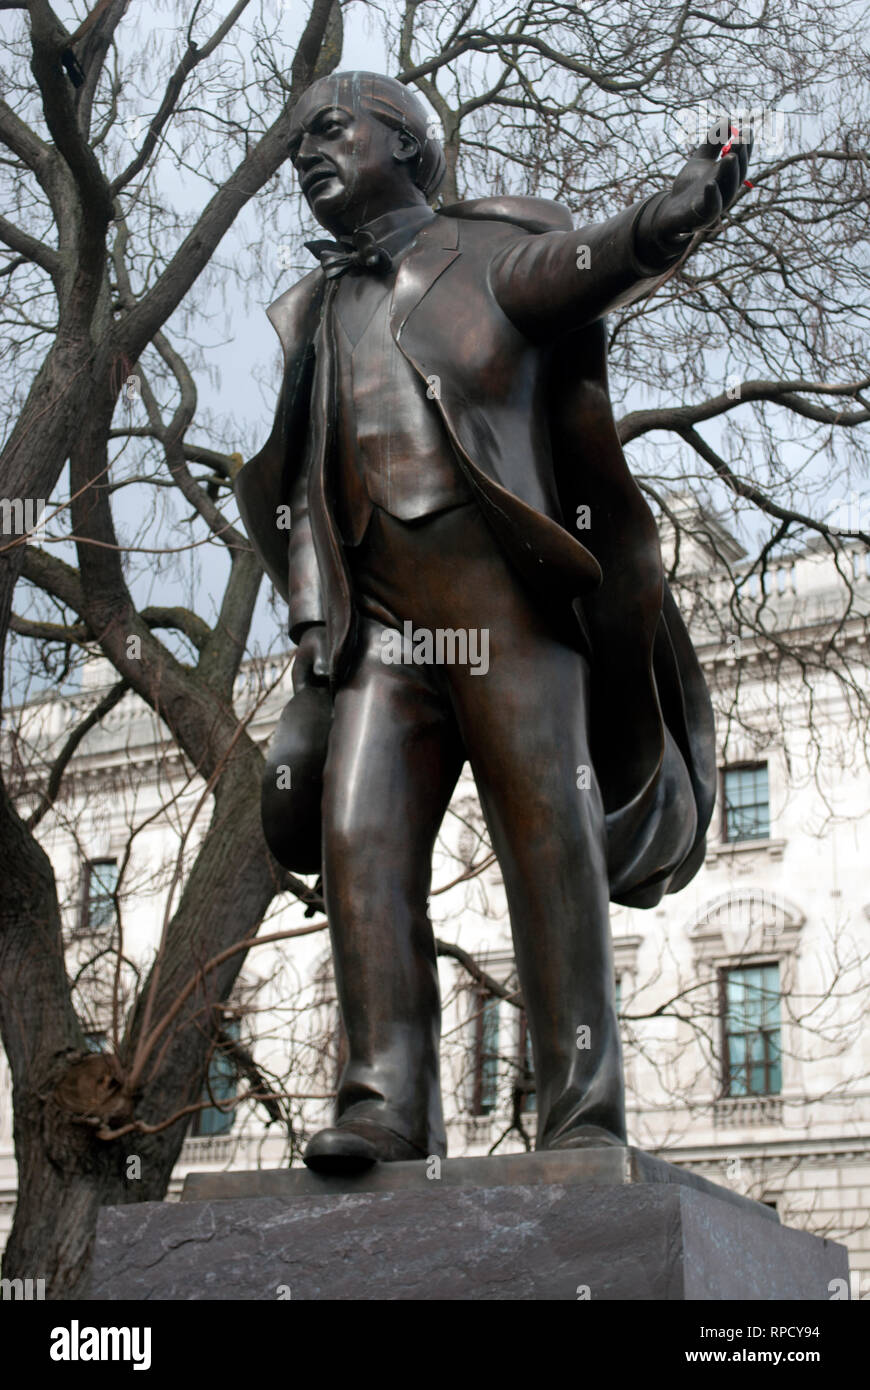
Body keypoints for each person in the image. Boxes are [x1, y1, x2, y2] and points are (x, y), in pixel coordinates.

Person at [236, 72, 750, 1173]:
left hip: (508, 619)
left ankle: (581, 1115)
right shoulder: (319, 313)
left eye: (330, 129)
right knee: (361, 850)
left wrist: (681, 208)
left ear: (408, 145)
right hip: (382, 640)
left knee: (548, 852)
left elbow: (594, 259)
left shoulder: (492, 257)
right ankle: (384, 1109)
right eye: (296, 145)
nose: (306, 154)